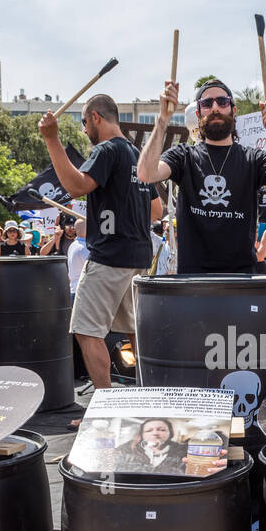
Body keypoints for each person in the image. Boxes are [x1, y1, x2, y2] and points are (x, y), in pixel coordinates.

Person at [39, 94, 162, 392]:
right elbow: (157, 211)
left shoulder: (106, 150)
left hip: (109, 256)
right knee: (135, 331)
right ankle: (150, 393)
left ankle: (104, 404)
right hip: (138, 257)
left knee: (84, 329)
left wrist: (52, 139)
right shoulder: (136, 153)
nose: (83, 130)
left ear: (95, 117)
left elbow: (76, 186)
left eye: (83, 122)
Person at [137, 77, 266, 273]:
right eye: (207, 103)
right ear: (198, 115)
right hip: (194, 281)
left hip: (240, 280)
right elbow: (145, 174)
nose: (215, 107)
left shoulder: (253, 159)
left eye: (222, 102)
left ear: (233, 110)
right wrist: (163, 119)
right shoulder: (184, 156)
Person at [113, 418, 191, 475]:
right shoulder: (127, 448)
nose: (155, 433)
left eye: (161, 430)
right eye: (149, 430)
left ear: (170, 433)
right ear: (142, 435)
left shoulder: (184, 451)